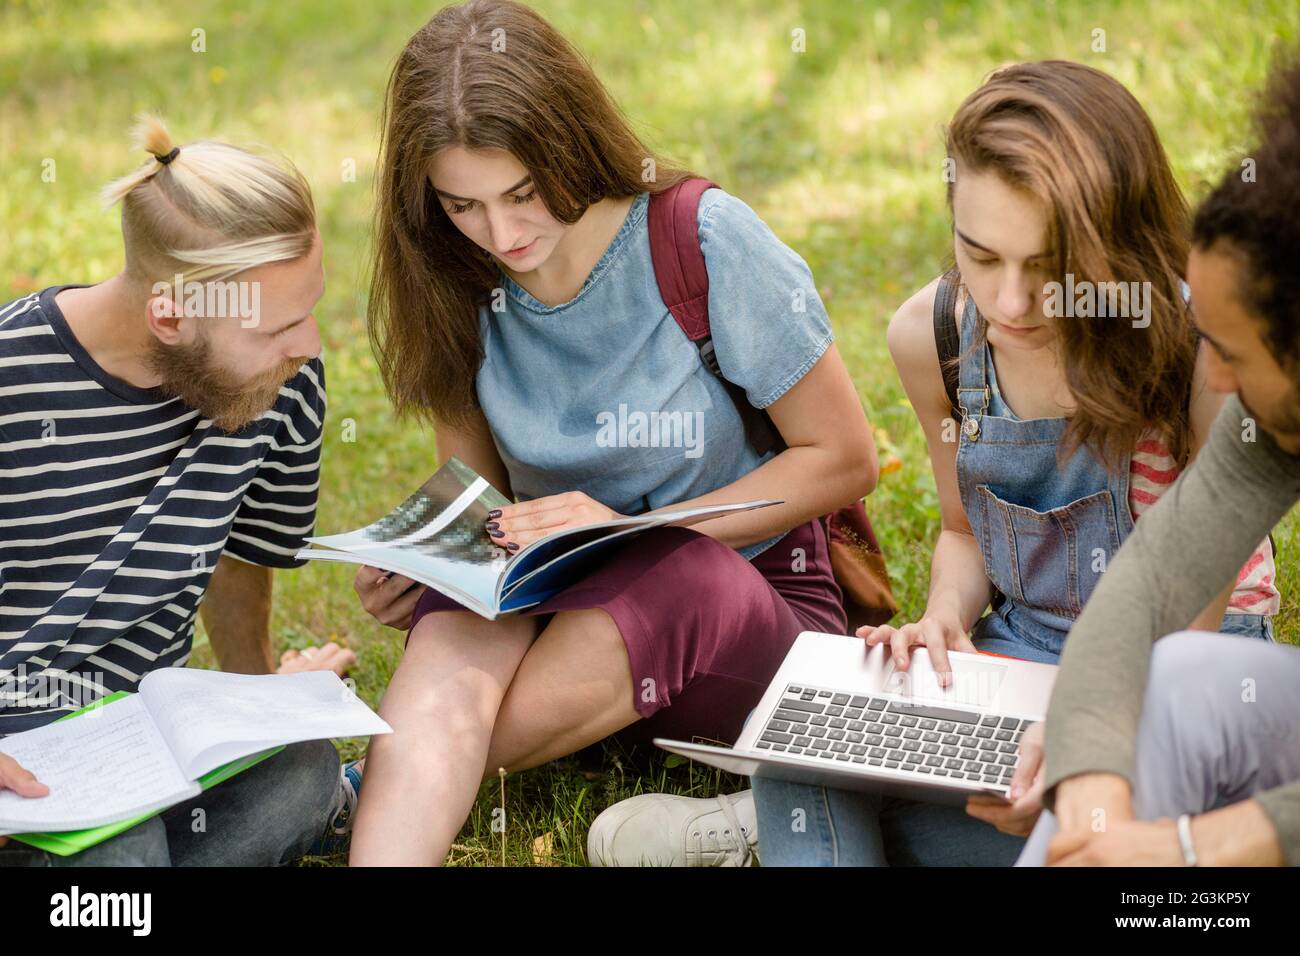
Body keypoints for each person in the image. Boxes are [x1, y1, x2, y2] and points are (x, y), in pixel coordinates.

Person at [623, 60, 1281, 867]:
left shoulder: (1207, 351)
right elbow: (965, 533)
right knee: (803, 738)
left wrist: (1083, 744)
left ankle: (810, 834)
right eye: (981, 254)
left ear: (1115, 238)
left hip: (1175, 667)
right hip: (1023, 648)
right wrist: (943, 616)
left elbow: (1185, 635)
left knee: (1085, 830)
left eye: (1048, 268)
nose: (1009, 303)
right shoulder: (933, 339)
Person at [344, 0, 876, 866]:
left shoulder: (700, 239)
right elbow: (483, 504)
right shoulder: (452, 274)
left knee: (675, 579)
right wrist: (424, 556)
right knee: (464, 600)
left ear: (570, 140)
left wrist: (638, 528)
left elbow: (845, 460)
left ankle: (389, 776)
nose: (504, 234)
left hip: (743, 592)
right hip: (567, 598)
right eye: (464, 205)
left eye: (522, 193)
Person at [0, 116, 354, 866]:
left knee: (302, 773)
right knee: (120, 858)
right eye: (279, 327)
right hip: (17, 750)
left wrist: (259, 703)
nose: (310, 345)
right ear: (170, 315)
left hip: (134, 737)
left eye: (310, 308)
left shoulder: (281, 384)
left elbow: (238, 563)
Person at [1018, 51, 1300, 867]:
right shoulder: (1270, 418)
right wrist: (1099, 807)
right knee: (1174, 676)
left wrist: (1194, 848)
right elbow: (1146, 586)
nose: (1210, 380)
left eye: (1235, 354)